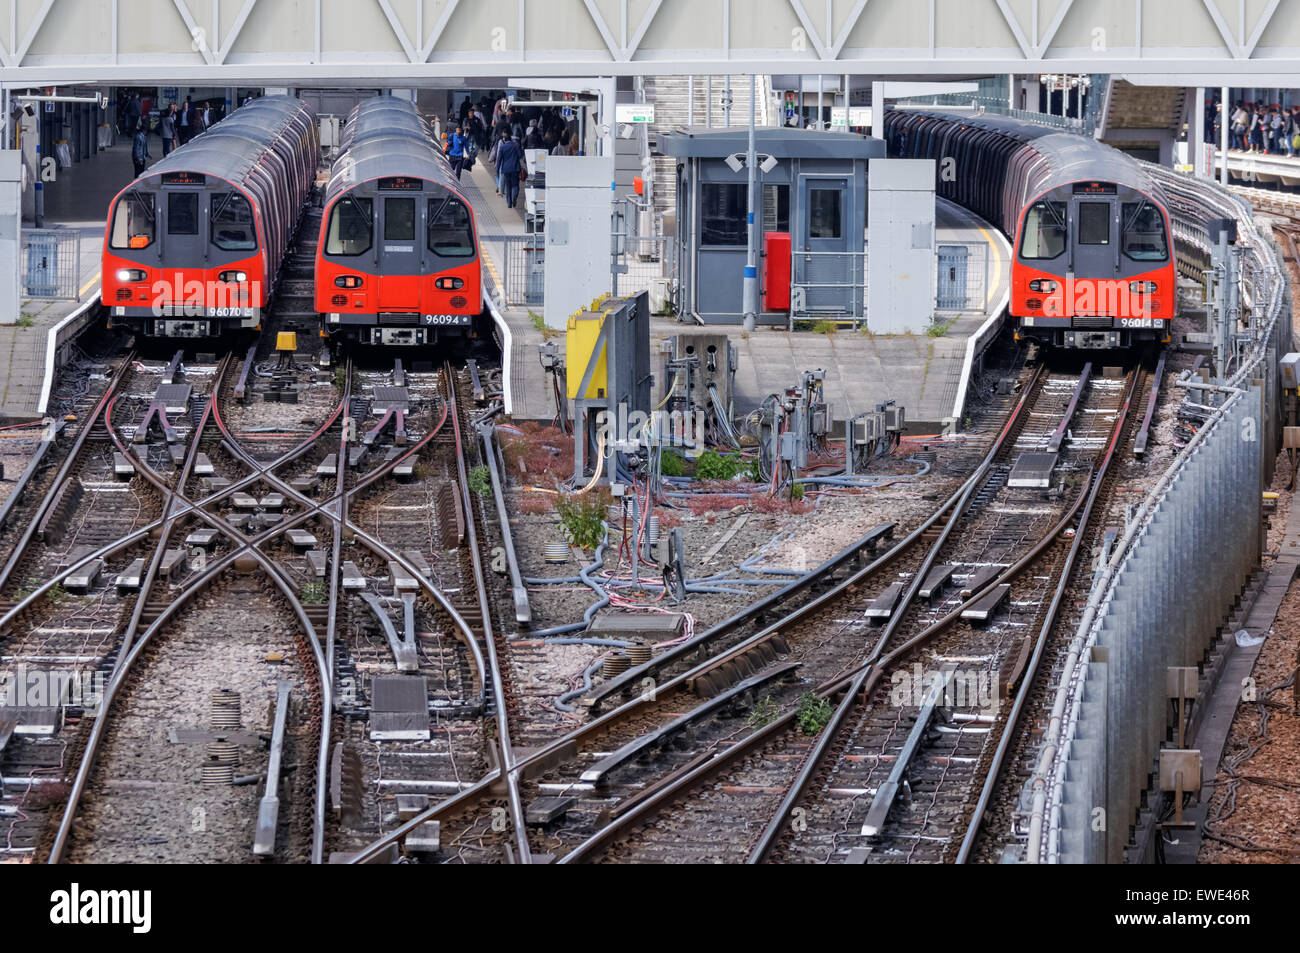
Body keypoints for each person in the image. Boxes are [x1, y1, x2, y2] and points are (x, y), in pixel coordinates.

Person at [496, 132, 522, 209]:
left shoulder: (502, 147)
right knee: (515, 185)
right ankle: (514, 196)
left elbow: (499, 160)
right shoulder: (515, 146)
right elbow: (520, 155)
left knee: (508, 186)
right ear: (511, 139)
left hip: (506, 169)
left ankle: (509, 203)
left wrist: (497, 170)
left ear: (504, 140)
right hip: (515, 168)